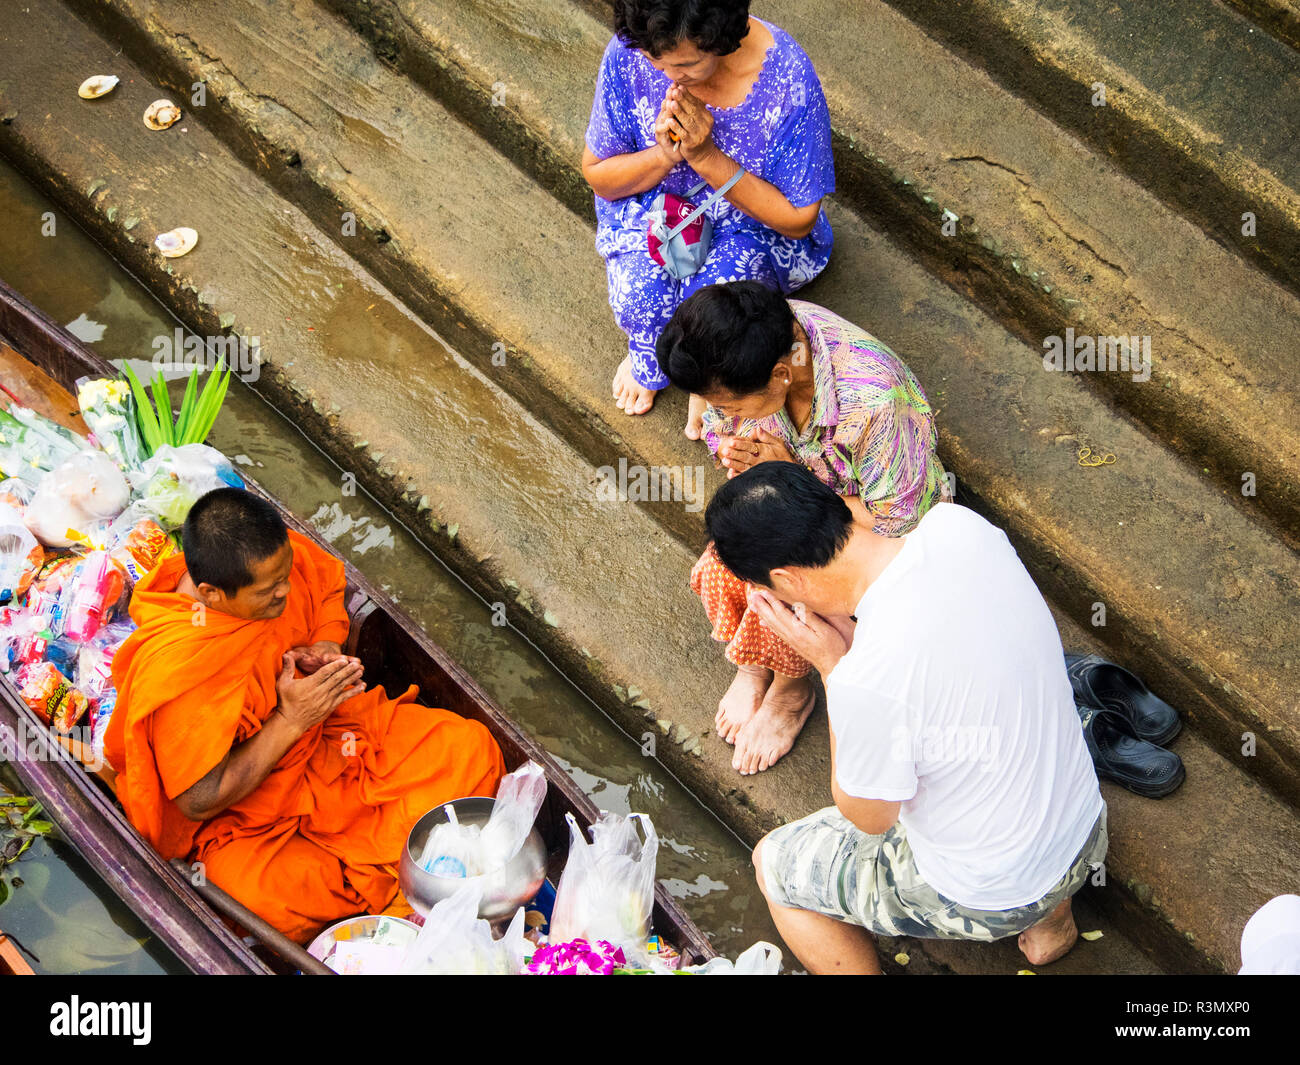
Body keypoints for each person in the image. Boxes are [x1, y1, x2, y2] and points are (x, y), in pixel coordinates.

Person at [705, 463, 1106, 973]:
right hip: (1084, 829)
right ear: (839, 507)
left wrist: (833, 670)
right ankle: (1052, 927)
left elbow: (869, 818)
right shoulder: (958, 526)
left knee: (775, 865)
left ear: (784, 580)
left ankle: (1026, 916)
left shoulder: (866, 679)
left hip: (992, 891)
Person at [104, 488, 505, 943]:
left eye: (285, 574)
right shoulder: (182, 663)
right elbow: (198, 799)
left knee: (468, 748)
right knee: (254, 892)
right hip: (250, 810)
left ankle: (407, 900)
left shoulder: (271, 562)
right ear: (210, 594)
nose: (286, 590)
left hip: (331, 740)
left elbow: (325, 587)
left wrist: (325, 647)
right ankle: (406, 905)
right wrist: (290, 721)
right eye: (269, 591)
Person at [659, 281, 948, 775]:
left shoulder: (875, 405)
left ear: (779, 376)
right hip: (804, 497)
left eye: (730, 406)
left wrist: (791, 473)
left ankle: (791, 689)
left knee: (778, 587)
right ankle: (754, 664)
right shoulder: (761, 335)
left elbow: (902, 527)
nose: (721, 417)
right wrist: (734, 448)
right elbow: (718, 425)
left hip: (869, 531)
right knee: (721, 561)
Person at [583, 0, 835, 433]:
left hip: (750, 222)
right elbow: (599, 174)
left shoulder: (788, 81)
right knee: (638, 296)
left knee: (716, 324)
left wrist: (706, 157)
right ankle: (649, 355)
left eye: (685, 64)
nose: (666, 75)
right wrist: (664, 155)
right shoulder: (633, 52)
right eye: (654, 60)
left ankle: (707, 386)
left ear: (721, 37)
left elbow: (797, 219)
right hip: (657, 207)